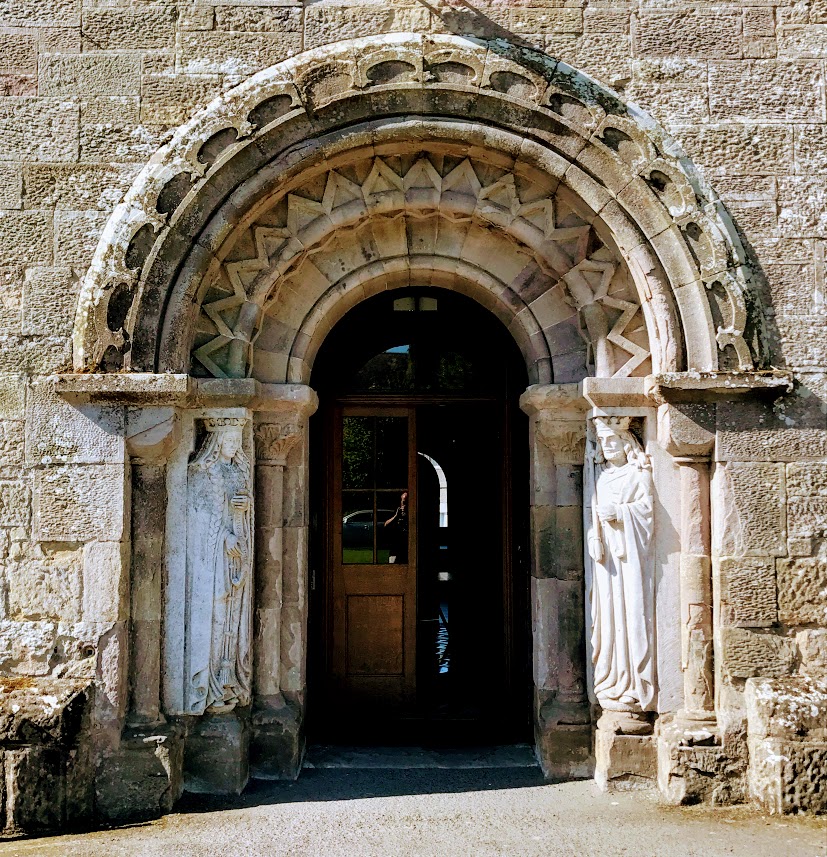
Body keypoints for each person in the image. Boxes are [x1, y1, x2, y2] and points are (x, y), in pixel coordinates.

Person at [585, 416, 656, 722]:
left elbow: (648, 511)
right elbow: (594, 517)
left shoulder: (638, 475)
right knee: (608, 617)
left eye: (613, 440)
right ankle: (612, 678)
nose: (607, 446)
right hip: (607, 564)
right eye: (603, 442)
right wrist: (593, 536)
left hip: (631, 561)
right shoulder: (600, 478)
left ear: (628, 442)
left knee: (631, 613)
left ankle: (634, 683)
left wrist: (620, 513)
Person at [384, 490, 409, 563]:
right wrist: (396, 516)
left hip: (408, 551)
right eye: (404, 503)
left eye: (407, 503)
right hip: (395, 551)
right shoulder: (396, 513)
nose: (405, 505)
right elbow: (386, 525)